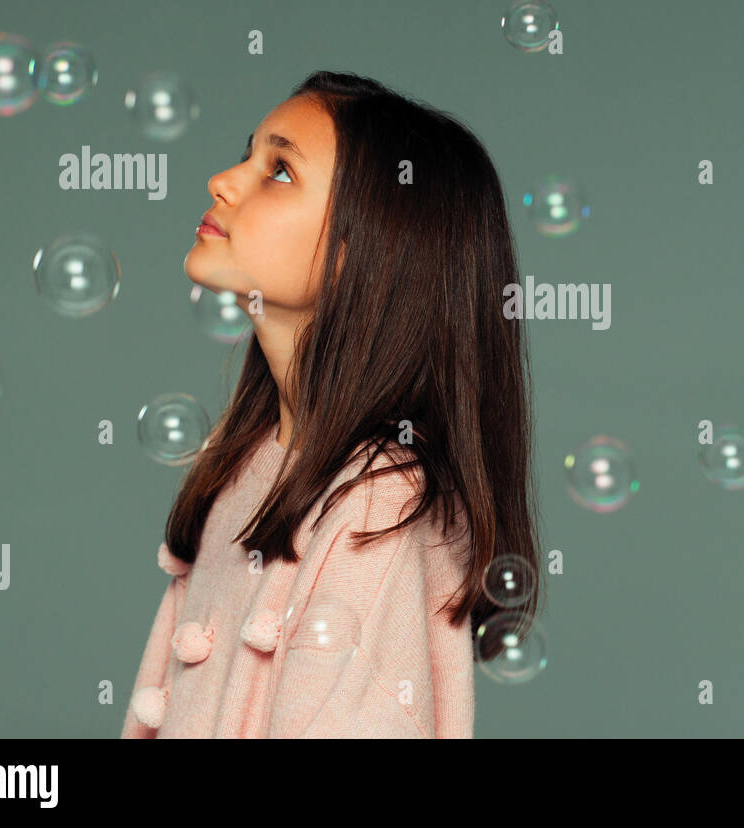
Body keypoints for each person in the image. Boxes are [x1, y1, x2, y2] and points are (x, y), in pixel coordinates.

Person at [120, 71, 543, 738]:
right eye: (248, 154)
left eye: (280, 170)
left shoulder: (376, 507)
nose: (223, 181)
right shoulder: (249, 466)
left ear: (368, 250)